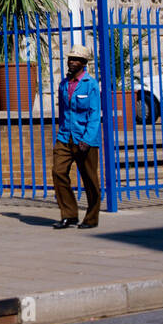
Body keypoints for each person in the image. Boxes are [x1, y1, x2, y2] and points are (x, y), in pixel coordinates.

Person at [52, 43, 102, 229]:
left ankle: (91, 218)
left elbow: (94, 115)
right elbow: (64, 111)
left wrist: (87, 140)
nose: (71, 62)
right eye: (70, 59)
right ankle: (69, 214)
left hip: (85, 139)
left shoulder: (91, 85)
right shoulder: (64, 84)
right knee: (58, 172)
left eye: (76, 60)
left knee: (89, 179)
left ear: (83, 63)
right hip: (65, 137)